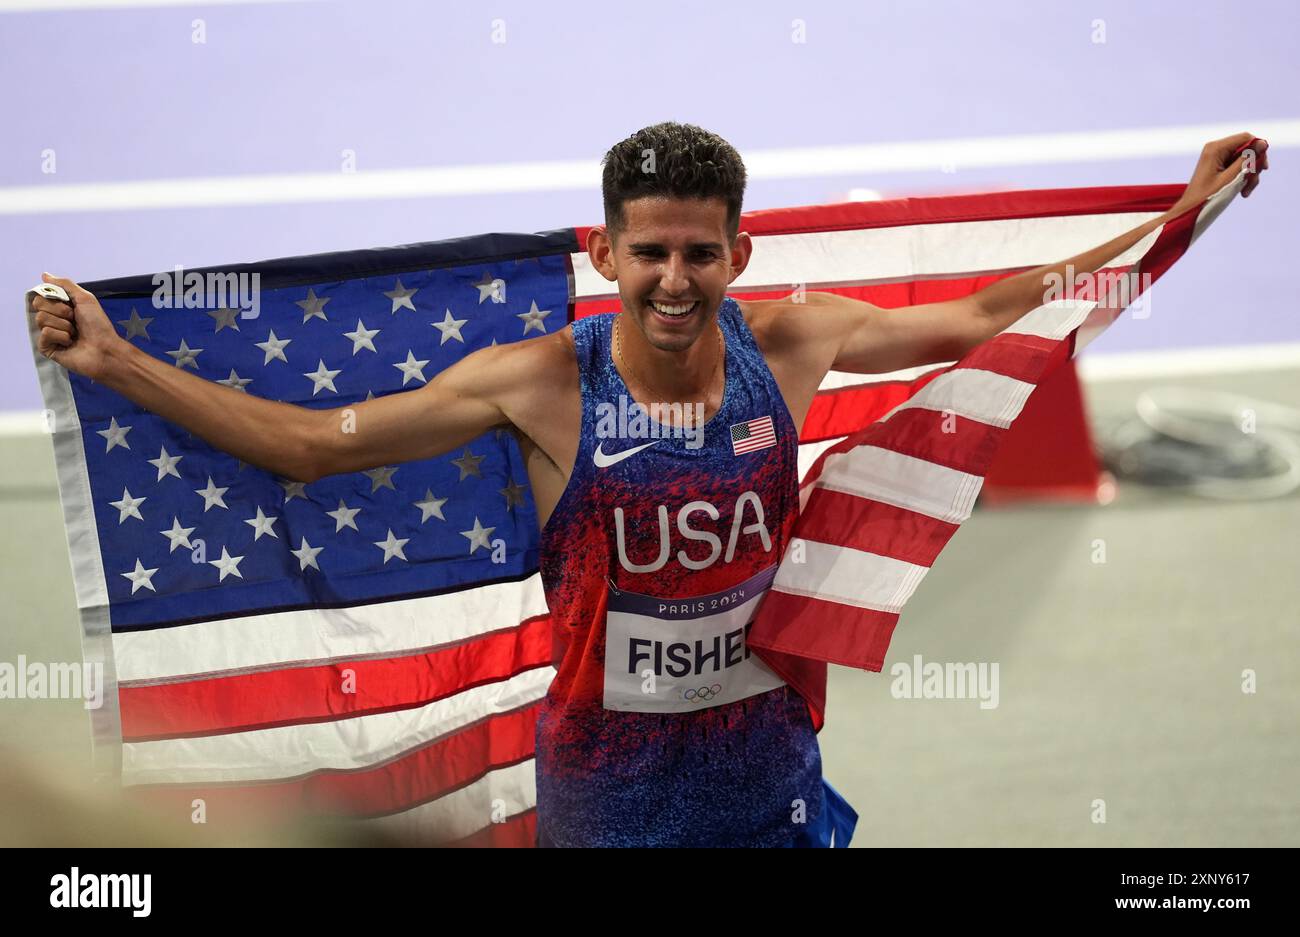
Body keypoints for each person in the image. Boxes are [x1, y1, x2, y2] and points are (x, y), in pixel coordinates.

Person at [30, 122, 1266, 847]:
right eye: (650, 251)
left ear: (740, 250)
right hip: (608, 801)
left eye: (698, 251)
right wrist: (122, 359)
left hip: (769, 775)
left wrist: (1175, 219)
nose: (674, 279)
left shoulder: (795, 342)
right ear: (604, 250)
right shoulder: (533, 386)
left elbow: (996, 308)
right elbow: (309, 445)